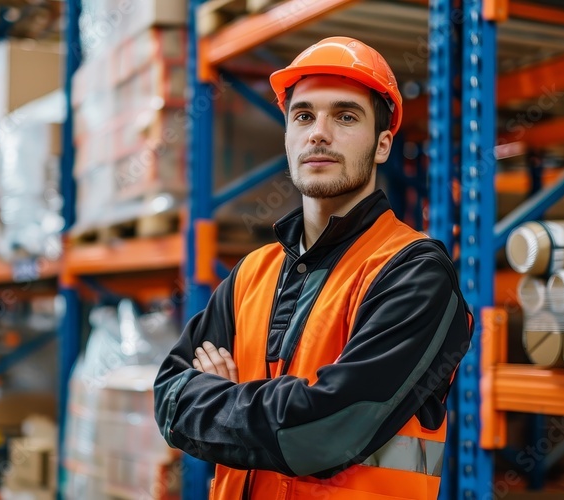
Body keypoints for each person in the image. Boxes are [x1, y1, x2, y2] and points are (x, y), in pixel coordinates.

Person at [153, 36, 474, 500]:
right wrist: (276, 409)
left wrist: (223, 399)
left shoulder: (415, 272)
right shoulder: (251, 274)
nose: (318, 132)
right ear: (287, 137)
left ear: (383, 145)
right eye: (303, 116)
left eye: (345, 116)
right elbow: (169, 394)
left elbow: (323, 431)